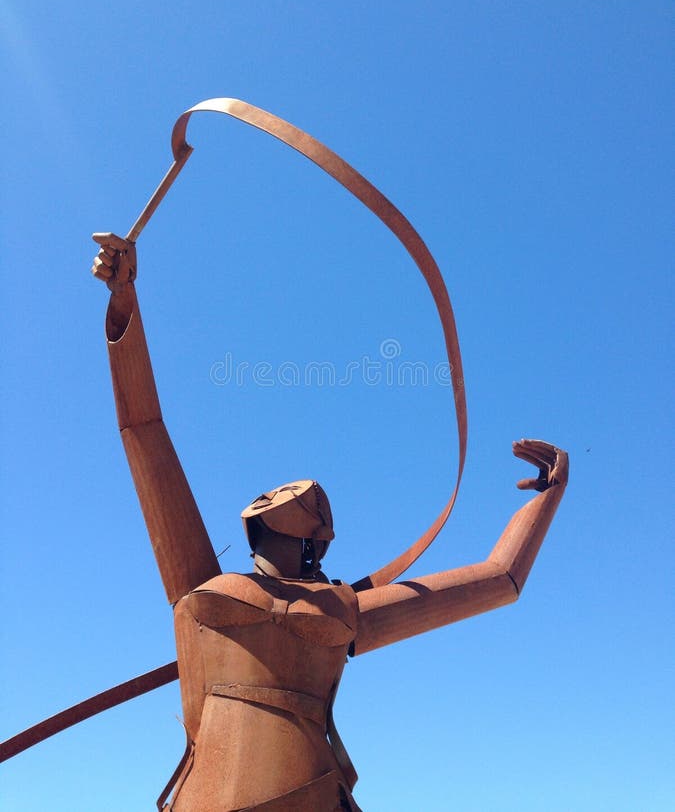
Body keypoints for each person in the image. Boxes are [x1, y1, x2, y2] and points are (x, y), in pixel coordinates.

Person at [92, 233, 568, 812]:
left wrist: (544, 501)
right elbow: (144, 430)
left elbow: (499, 580)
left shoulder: (345, 607)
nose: (302, 495)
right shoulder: (199, 579)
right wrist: (125, 307)